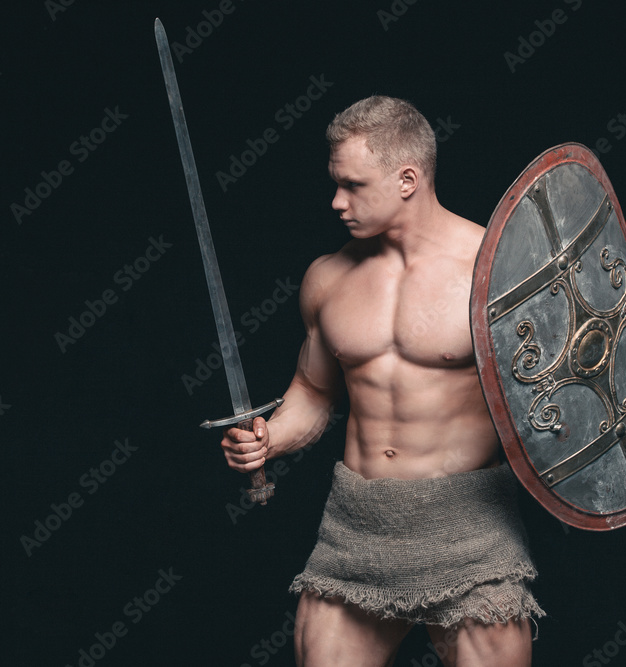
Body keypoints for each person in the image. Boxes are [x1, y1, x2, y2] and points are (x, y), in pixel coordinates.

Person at [221, 95, 543, 667]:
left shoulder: (499, 274)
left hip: (467, 527)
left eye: (353, 185)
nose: (337, 202)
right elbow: (313, 393)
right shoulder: (328, 277)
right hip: (357, 528)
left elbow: (561, 406)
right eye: (335, 184)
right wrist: (269, 438)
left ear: (407, 180)